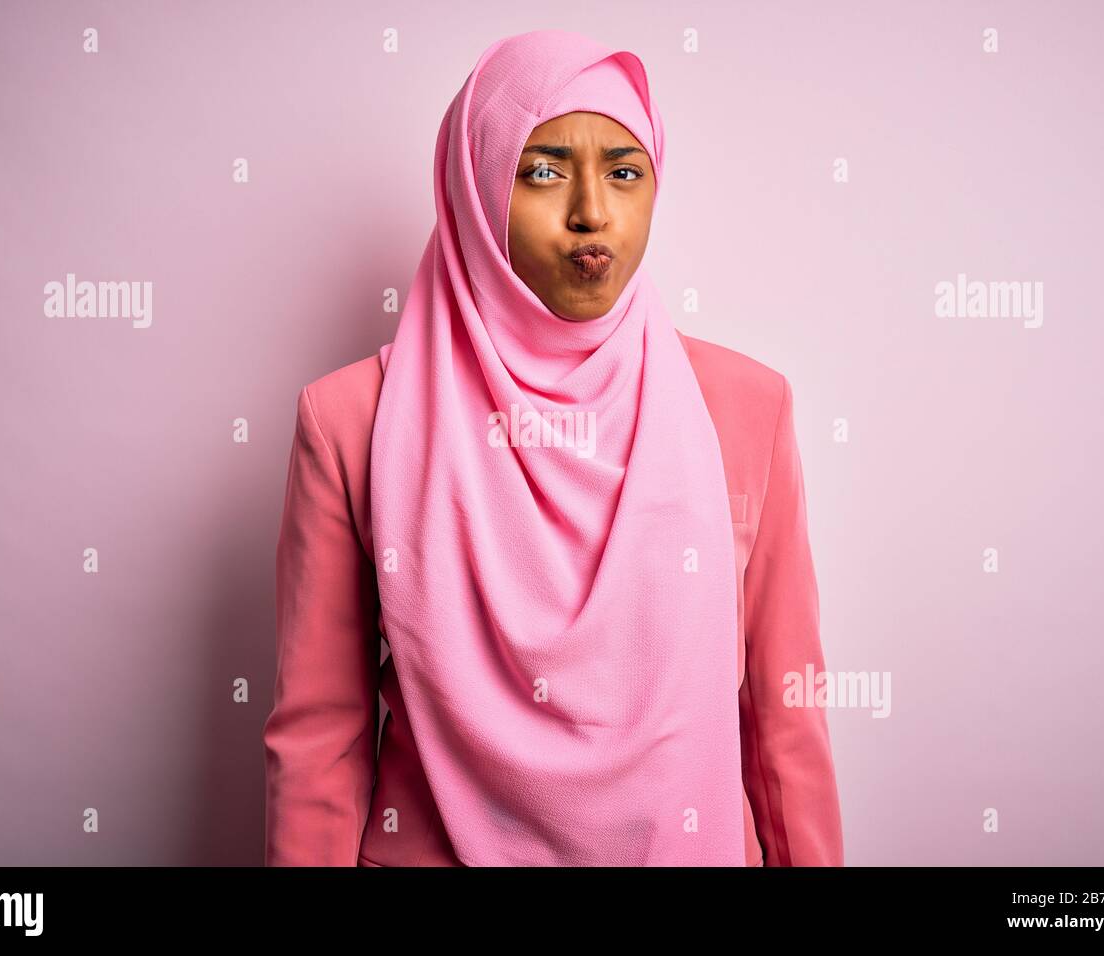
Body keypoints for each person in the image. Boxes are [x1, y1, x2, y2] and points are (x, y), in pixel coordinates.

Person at [263, 29, 844, 867]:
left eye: (625, 171)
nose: (592, 212)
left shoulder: (747, 409)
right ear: (475, 185)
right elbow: (322, 738)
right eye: (543, 171)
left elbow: (786, 719)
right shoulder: (352, 419)